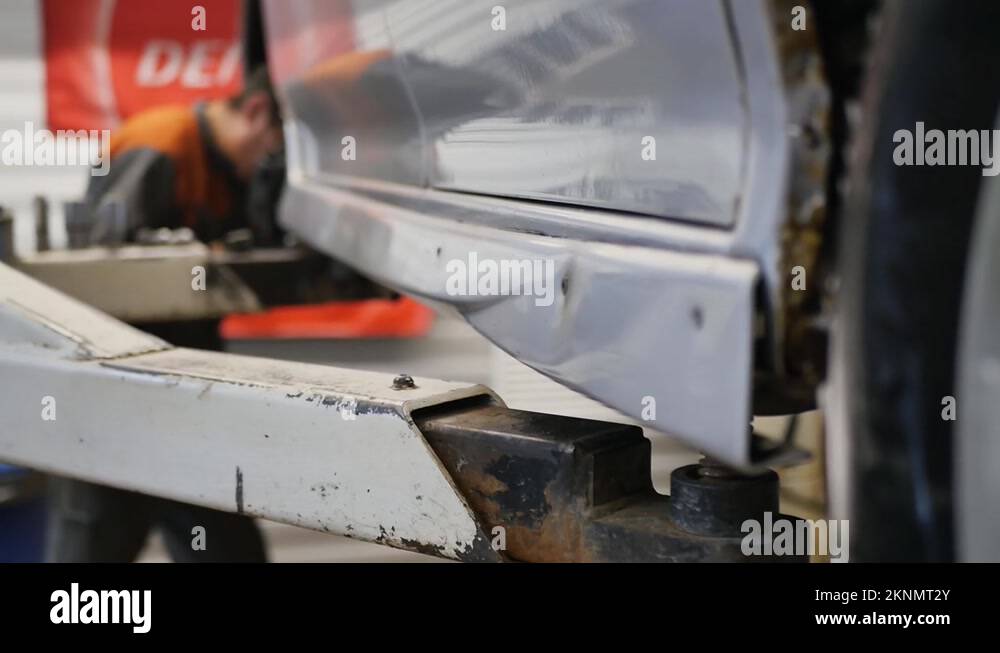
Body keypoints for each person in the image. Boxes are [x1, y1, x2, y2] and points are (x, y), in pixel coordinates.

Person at [45, 67, 284, 563]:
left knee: (224, 543)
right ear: (257, 112)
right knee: (90, 554)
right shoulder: (161, 146)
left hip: (190, 395)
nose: (272, 163)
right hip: (114, 397)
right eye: (275, 146)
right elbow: (108, 276)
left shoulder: (224, 169)